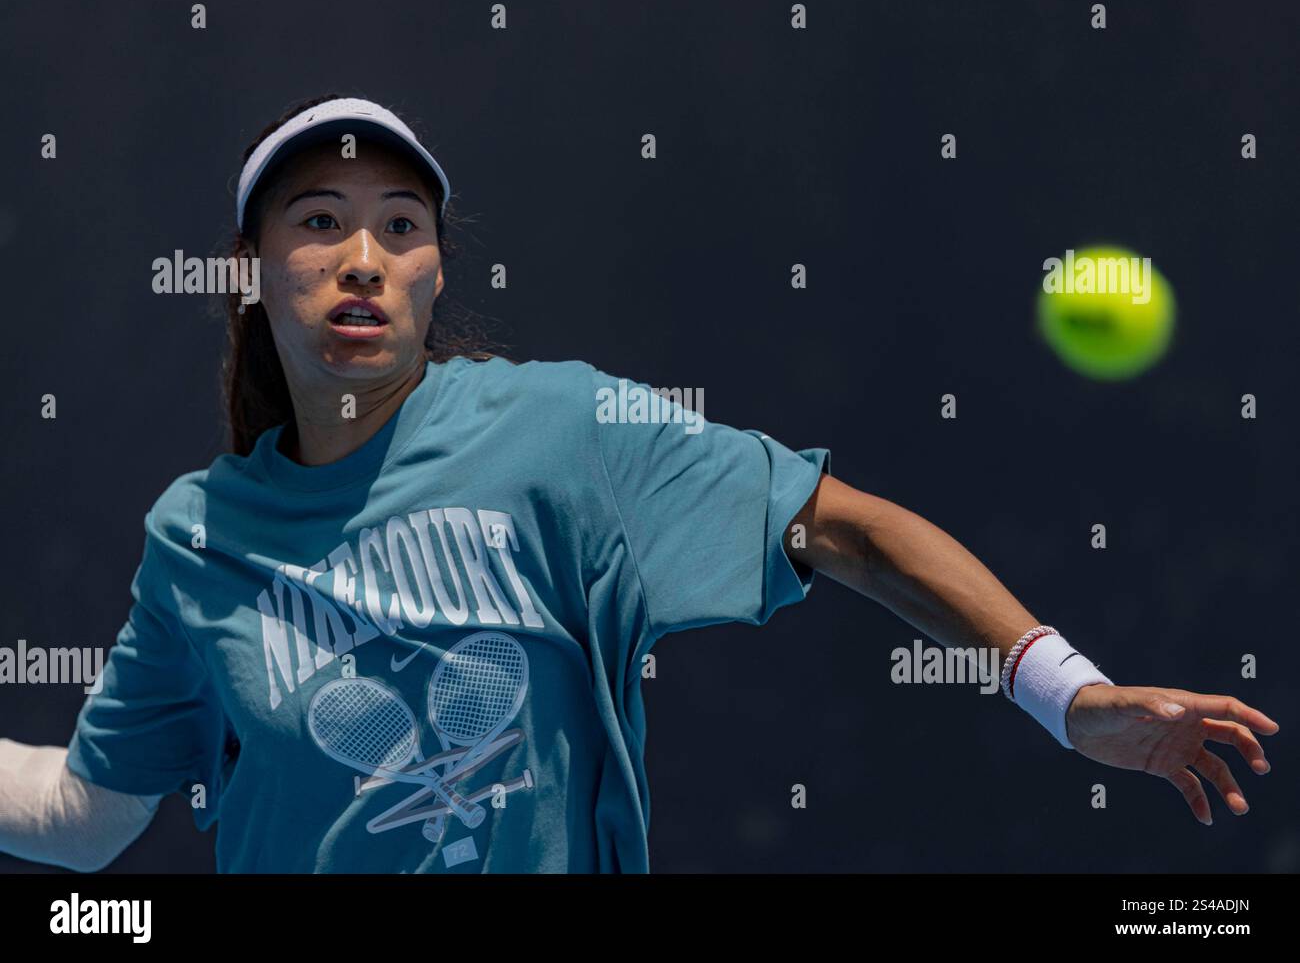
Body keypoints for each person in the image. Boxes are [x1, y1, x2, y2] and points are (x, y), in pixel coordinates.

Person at [0, 96, 1279, 874]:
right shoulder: (199, 536)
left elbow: (842, 528)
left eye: (400, 224)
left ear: (436, 271)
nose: (363, 257)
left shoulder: (566, 427)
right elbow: (82, 816)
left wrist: (1069, 697)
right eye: (319, 219)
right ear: (250, 268)